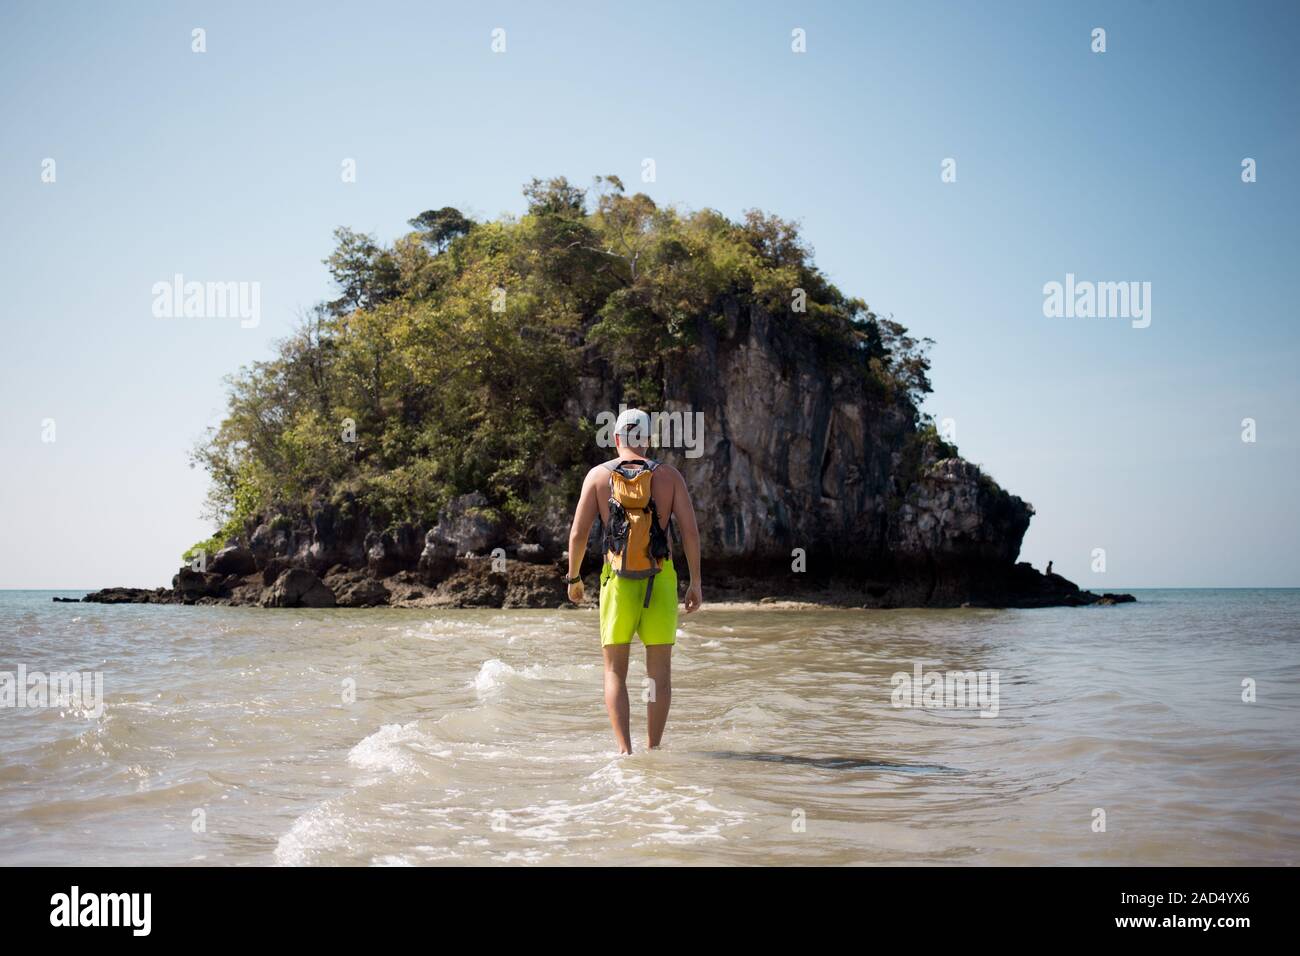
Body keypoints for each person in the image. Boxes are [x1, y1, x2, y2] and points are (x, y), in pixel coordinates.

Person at [566, 408, 702, 754]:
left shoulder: (597, 476)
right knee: (659, 675)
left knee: (614, 672)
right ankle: (653, 749)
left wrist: (574, 577)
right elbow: (689, 531)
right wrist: (695, 582)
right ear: (649, 439)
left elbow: (579, 534)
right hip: (661, 577)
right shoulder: (670, 477)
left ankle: (625, 752)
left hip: (617, 581)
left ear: (616, 439)